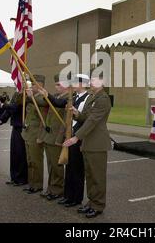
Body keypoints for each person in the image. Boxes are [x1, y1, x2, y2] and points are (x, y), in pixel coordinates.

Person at [63, 71, 112, 218]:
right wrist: (76, 112)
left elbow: (93, 120)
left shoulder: (103, 99)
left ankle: (98, 205)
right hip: (89, 142)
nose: (91, 82)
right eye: (91, 79)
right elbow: (85, 117)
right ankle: (91, 202)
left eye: (95, 80)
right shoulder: (93, 97)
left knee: (97, 177)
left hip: (97, 143)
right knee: (90, 176)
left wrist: (76, 137)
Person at [40, 74, 89, 208]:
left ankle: (76, 198)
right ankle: (68, 196)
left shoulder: (88, 98)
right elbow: (58, 103)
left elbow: (87, 119)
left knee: (77, 169)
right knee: (70, 168)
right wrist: (47, 95)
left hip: (79, 137)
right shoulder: (73, 97)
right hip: (70, 136)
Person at [39, 74, 67, 201]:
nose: (57, 86)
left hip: (57, 136)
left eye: (59, 84)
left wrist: (60, 139)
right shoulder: (56, 96)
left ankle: (58, 189)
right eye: (56, 84)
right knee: (50, 164)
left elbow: (60, 107)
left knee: (57, 165)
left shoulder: (68, 98)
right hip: (49, 135)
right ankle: (51, 188)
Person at [0, 92, 27, 186]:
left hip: (22, 128)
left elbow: (15, 107)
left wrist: (1, 104)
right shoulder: (16, 94)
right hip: (15, 127)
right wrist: (0, 121)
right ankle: (14, 177)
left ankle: (22, 178)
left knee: (21, 154)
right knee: (14, 154)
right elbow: (9, 111)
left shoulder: (26, 95)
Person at [22, 75, 48, 194]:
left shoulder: (43, 97)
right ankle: (31, 183)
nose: (31, 86)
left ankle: (37, 184)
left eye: (33, 84)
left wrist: (40, 136)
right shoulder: (31, 97)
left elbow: (44, 117)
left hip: (36, 134)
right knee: (30, 160)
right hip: (28, 133)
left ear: (40, 85)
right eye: (31, 84)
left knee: (36, 160)